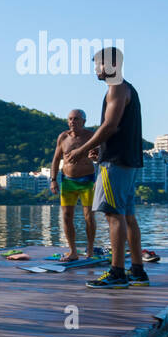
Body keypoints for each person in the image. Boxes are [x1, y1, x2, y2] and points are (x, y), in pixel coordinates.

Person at [65, 47, 149, 288]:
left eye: (98, 65)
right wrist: (99, 150)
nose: (95, 70)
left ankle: (117, 273)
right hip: (127, 160)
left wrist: (81, 150)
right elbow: (116, 129)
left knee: (113, 215)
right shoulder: (126, 88)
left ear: (110, 65)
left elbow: (110, 126)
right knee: (128, 216)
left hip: (116, 163)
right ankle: (138, 271)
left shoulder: (117, 87)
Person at [49, 108, 99, 261]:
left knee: (89, 217)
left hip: (87, 181)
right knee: (66, 216)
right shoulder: (63, 137)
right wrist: (53, 179)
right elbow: (56, 159)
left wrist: (95, 156)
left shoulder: (91, 136)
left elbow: (99, 156)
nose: (72, 122)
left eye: (76, 119)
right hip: (67, 181)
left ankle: (90, 250)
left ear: (84, 121)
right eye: (70, 119)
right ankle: (73, 251)